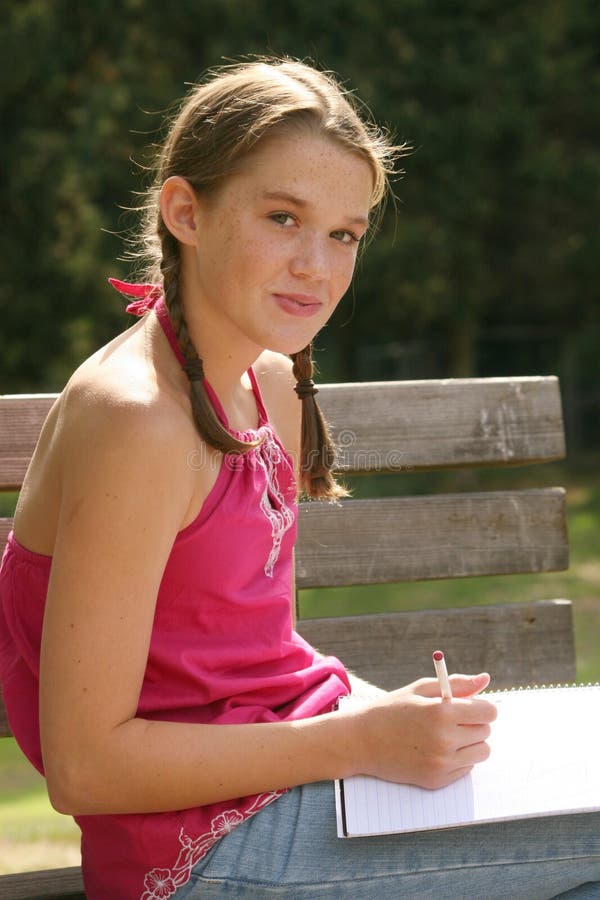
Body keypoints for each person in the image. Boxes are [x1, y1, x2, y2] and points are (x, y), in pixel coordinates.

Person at [0, 58, 598, 900]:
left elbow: (250, 660)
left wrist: (393, 715)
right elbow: (86, 768)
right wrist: (361, 742)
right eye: (283, 217)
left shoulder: (266, 381)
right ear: (185, 213)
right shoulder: (136, 421)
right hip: (204, 856)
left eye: (344, 234)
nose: (316, 265)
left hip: (295, 798)